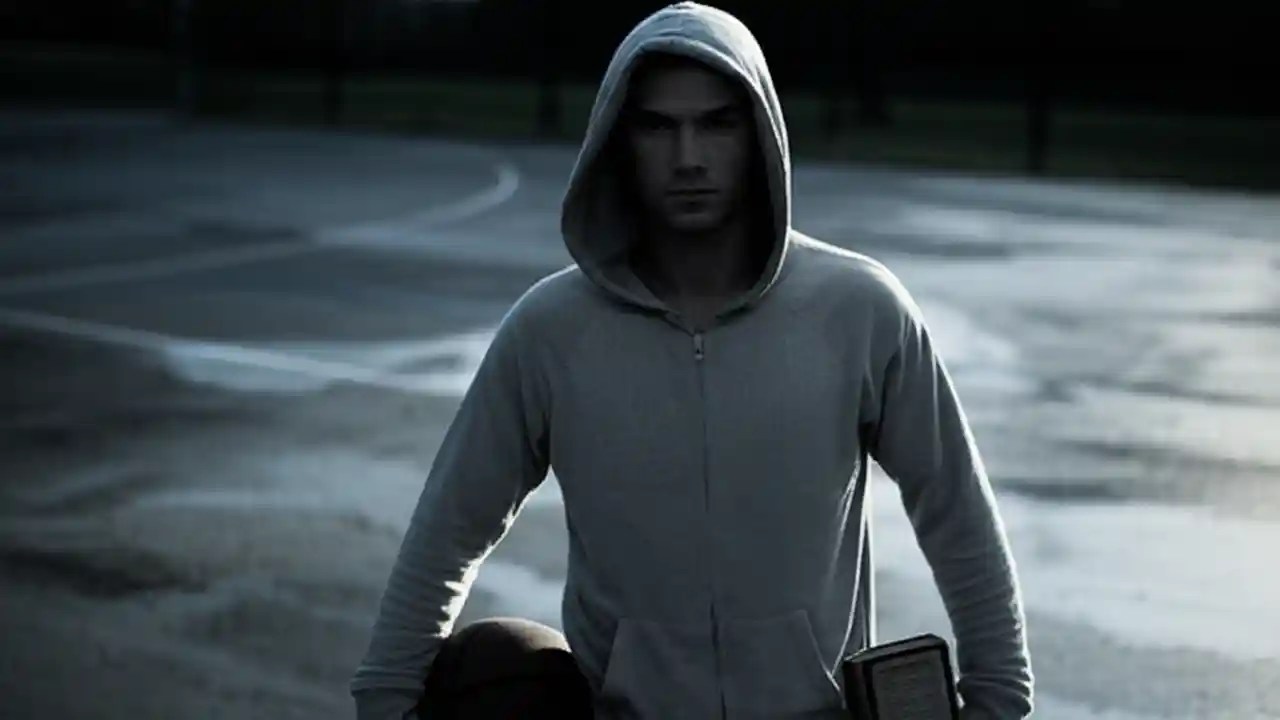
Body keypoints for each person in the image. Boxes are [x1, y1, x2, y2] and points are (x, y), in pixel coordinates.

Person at [350, 3, 1035, 719]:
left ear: (760, 131)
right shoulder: (550, 331)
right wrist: (385, 700)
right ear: (619, 138)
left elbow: (958, 518)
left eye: (717, 122)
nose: (689, 158)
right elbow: (447, 533)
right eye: (657, 126)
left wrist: (999, 702)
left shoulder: (860, 310)